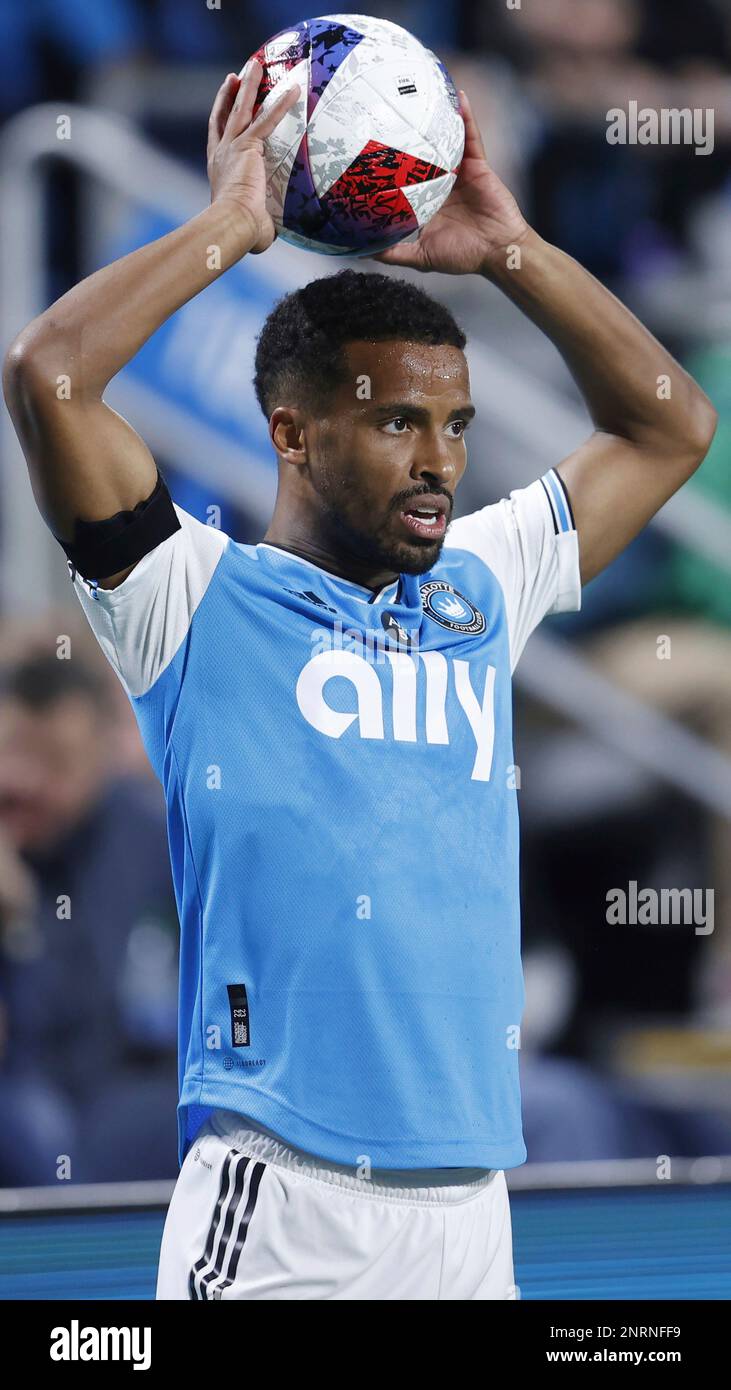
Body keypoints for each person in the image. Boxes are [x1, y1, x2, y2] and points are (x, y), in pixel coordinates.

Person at [3, 61, 716, 1300]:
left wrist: (510, 253)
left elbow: (669, 425)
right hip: (282, 1211)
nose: (439, 459)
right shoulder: (187, 597)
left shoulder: (481, 587)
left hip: (471, 1209)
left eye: (454, 424)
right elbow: (48, 373)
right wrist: (232, 226)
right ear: (290, 431)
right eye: (396, 422)